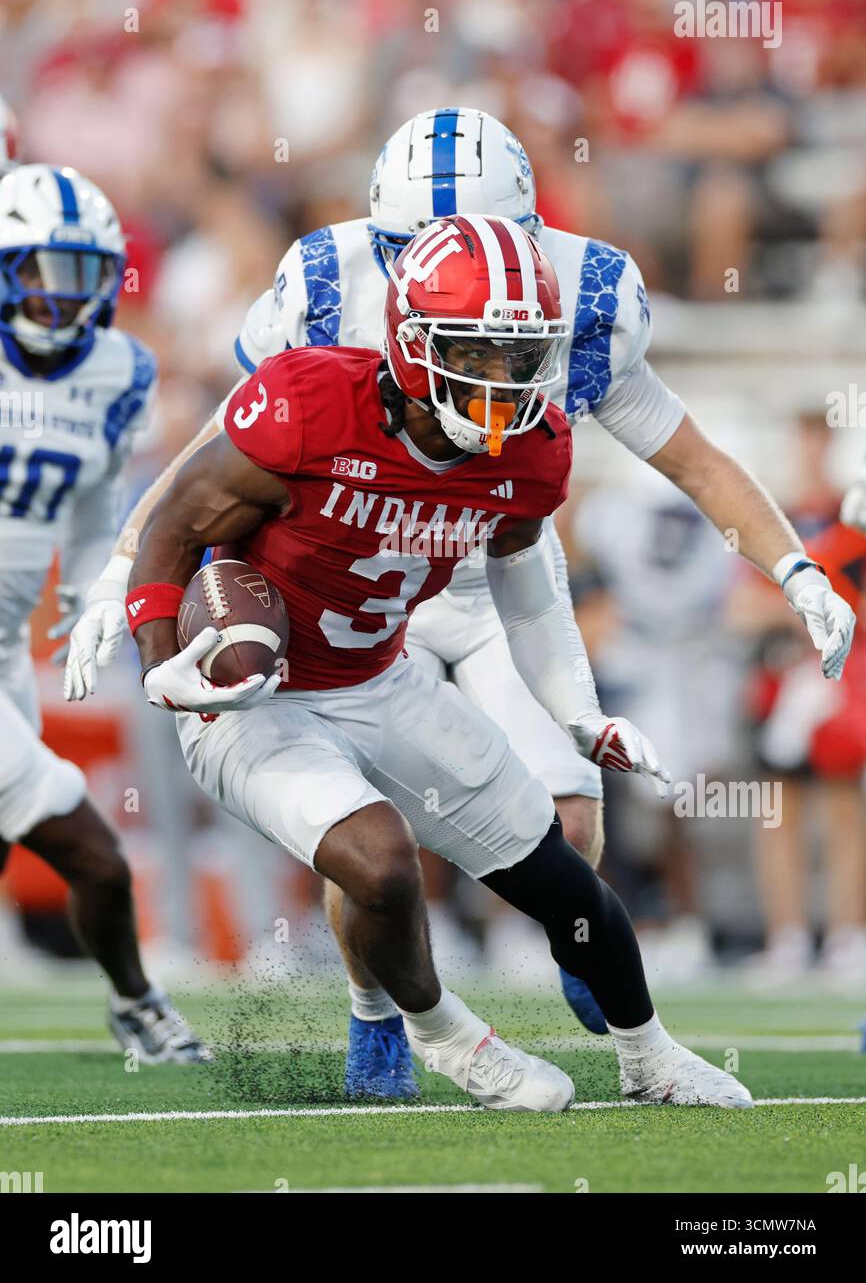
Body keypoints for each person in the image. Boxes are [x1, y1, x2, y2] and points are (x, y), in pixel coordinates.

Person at [66, 108, 855, 1095]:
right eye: (408, 251)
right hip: (330, 577)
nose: (436, 262)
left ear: (530, 238)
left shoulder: (565, 325)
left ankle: (621, 1019)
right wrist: (129, 570)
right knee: (362, 831)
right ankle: (383, 1015)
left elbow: (688, 460)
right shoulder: (325, 306)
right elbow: (215, 467)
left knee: (567, 830)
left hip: (485, 565)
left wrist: (791, 568)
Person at [0, 163, 209, 1063]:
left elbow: (92, 524)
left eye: (85, 272)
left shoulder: (120, 370)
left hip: (8, 641)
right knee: (84, 836)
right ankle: (141, 1005)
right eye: (44, 270)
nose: (63, 296)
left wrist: (97, 601)